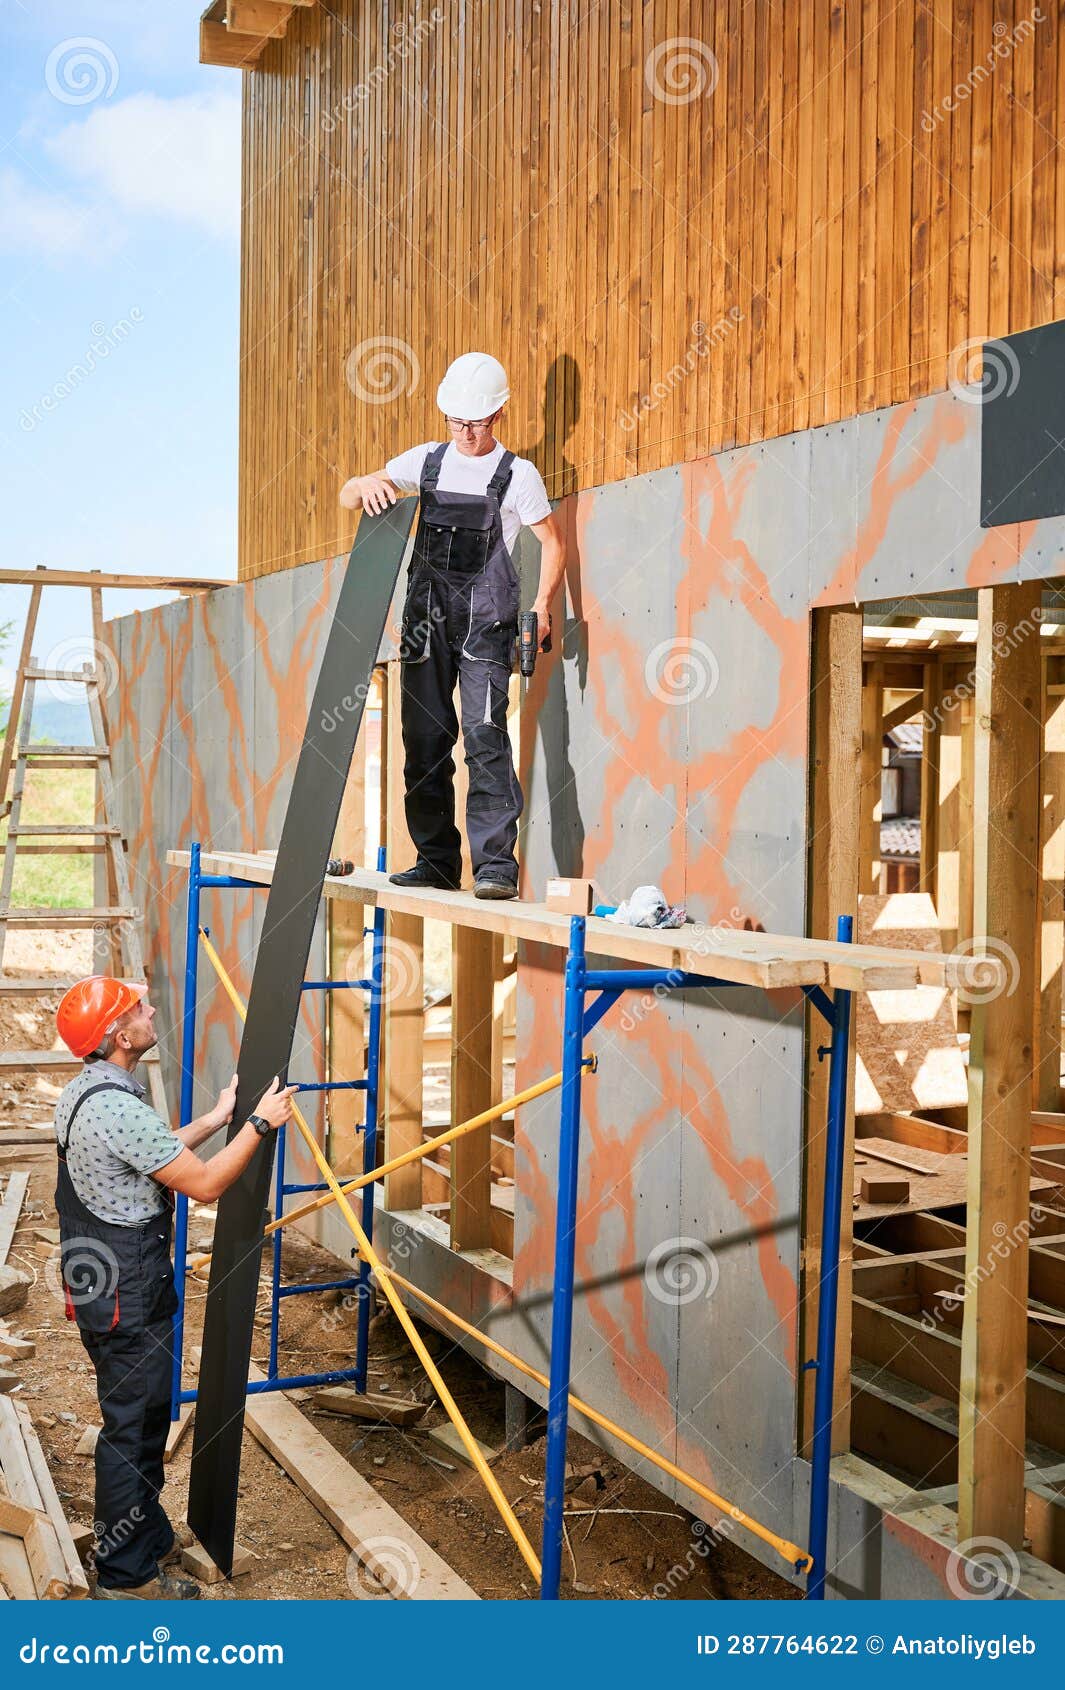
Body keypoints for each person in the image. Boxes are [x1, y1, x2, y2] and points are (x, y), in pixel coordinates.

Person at [52, 976, 297, 1601]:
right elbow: (206, 1183)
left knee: (145, 1413)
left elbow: (155, 1155)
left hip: (101, 1279)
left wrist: (217, 1118)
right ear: (117, 1034)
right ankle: (126, 1578)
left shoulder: (86, 1092)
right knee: (132, 1427)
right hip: (127, 1288)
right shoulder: (118, 1105)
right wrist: (259, 1125)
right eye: (137, 1007)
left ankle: (145, 1532)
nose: (151, 1008)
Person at [340, 352, 566, 899]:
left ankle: (495, 868)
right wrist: (364, 482)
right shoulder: (427, 461)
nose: (465, 431)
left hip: (486, 625)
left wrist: (541, 606)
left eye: (477, 421)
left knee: (485, 737)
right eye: (456, 420)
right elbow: (350, 493)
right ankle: (436, 861)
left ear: (499, 414)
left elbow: (553, 543)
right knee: (423, 740)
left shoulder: (519, 476)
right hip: (424, 625)